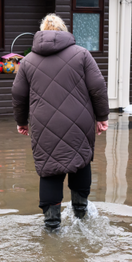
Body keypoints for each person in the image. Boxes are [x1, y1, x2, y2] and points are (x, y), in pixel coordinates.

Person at [12, 13, 109, 230]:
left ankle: (52, 225)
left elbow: (18, 95)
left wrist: (21, 121)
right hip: (79, 121)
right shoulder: (82, 54)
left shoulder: (28, 61)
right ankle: (81, 215)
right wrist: (102, 117)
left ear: (42, 32)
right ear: (64, 31)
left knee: (49, 169)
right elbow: (98, 87)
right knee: (80, 161)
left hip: (43, 125)